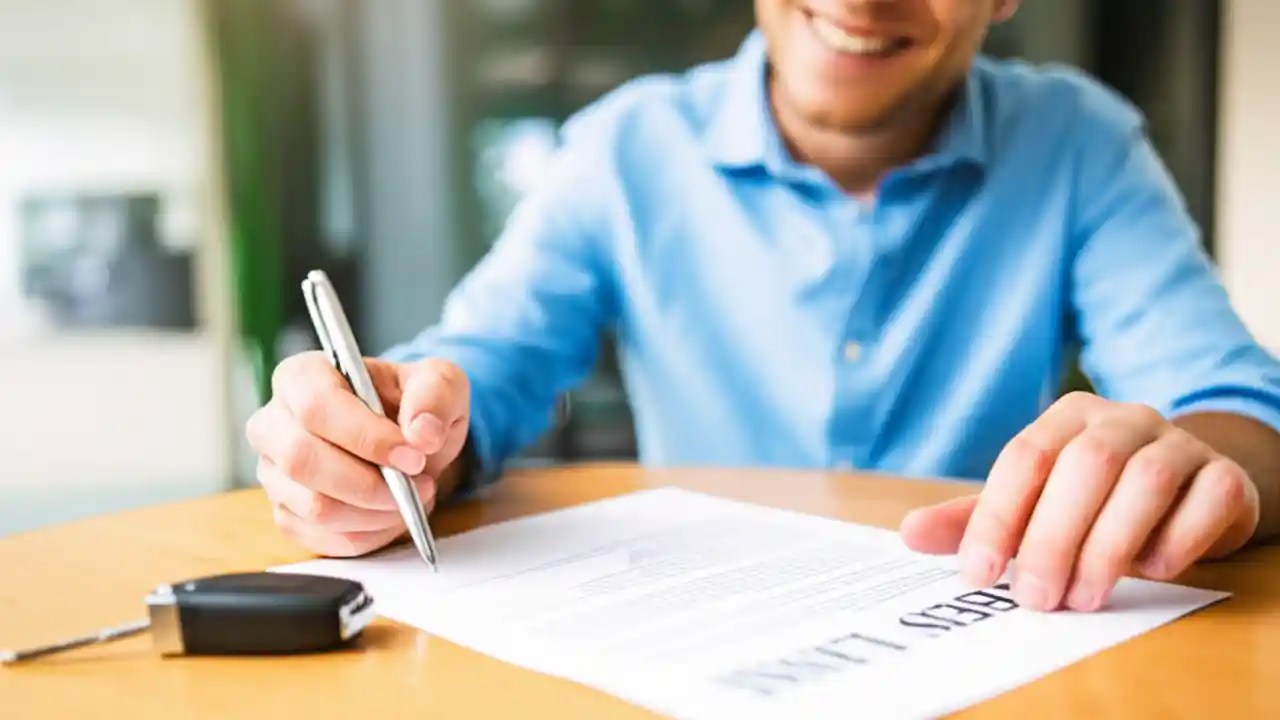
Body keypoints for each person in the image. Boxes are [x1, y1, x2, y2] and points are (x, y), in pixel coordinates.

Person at [245, 0, 1280, 613]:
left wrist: (1202, 466)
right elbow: (482, 365)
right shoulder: (624, 147)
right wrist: (390, 438)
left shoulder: (1079, 143)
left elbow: (1237, 409)